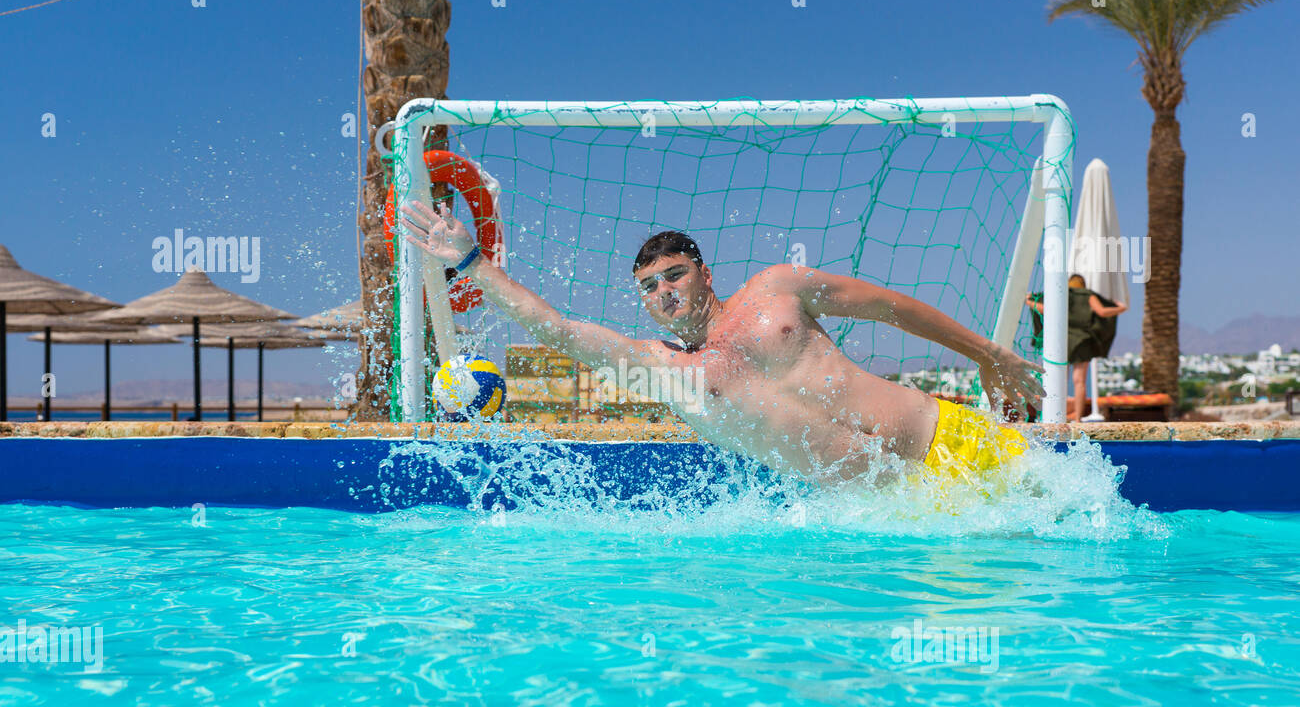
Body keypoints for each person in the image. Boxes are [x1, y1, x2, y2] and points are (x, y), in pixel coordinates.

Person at [401, 201, 1043, 484]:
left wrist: (989, 354)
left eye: (675, 275)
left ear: (705, 273)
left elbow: (889, 307)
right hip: (892, 514)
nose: (664, 293)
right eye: (649, 287)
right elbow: (559, 330)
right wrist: (473, 266)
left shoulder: (776, 291)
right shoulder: (662, 369)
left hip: (944, 436)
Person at [1025, 274, 1126, 421]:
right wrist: (1120, 308)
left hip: (1061, 341)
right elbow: (1102, 312)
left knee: (1059, 379)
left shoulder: (1060, 295)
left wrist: (1028, 301)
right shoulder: (1087, 295)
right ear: (1083, 285)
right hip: (1082, 341)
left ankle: (1055, 416)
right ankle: (1078, 419)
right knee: (1079, 381)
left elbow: (1044, 309)